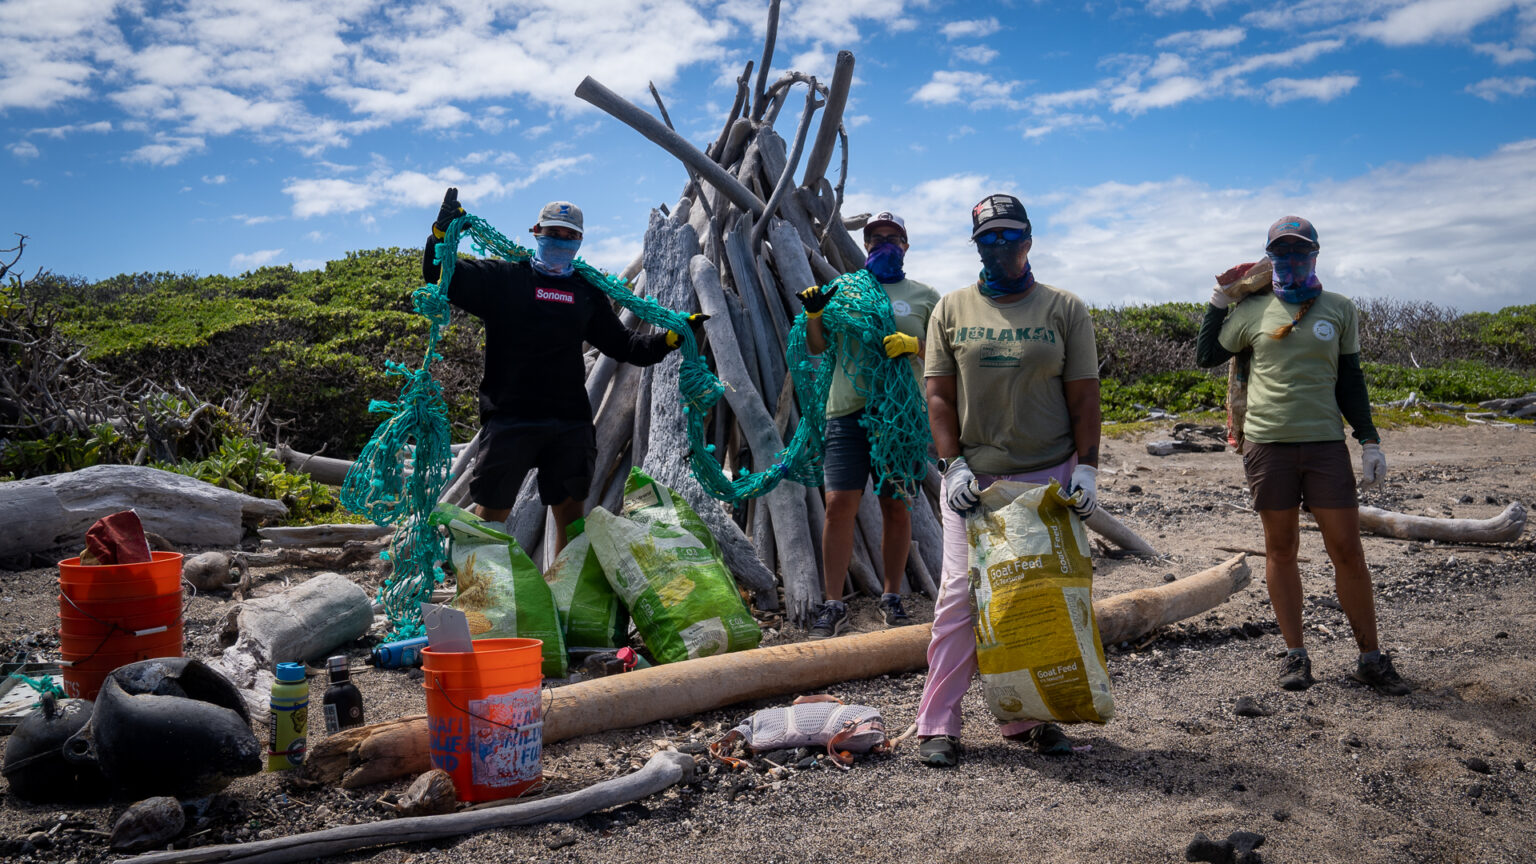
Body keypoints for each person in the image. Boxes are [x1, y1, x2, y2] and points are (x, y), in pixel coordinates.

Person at [914, 194, 1102, 767]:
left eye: (1009, 236)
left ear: (1028, 239)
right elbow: (939, 395)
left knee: (1037, 596)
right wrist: (953, 466)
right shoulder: (950, 309)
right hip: (975, 478)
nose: (1000, 248)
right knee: (956, 598)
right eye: (988, 239)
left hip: (1048, 479)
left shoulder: (1064, 309)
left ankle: (1032, 717)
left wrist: (1089, 469)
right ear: (977, 245)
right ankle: (938, 723)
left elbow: (1085, 398)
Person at [422, 188, 704, 555]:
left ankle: (567, 601)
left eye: (569, 236)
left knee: (571, 521)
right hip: (511, 419)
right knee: (489, 520)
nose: (561, 241)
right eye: (554, 233)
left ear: (580, 241)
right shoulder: (503, 279)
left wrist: (669, 339)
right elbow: (439, 274)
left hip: (568, 422)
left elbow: (625, 346)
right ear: (536, 231)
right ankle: (482, 604)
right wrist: (440, 235)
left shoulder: (584, 292)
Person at [1196, 215, 1411, 696]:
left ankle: (1370, 659)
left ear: (1315, 254)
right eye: (1282, 253)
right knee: (1281, 550)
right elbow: (1206, 353)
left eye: (1300, 252)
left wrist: (1369, 439)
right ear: (1269, 257)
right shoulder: (1252, 311)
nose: (1291, 261)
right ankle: (1296, 656)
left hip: (1324, 444)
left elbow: (1351, 380)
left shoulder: (1338, 309)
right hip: (1267, 445)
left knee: (1348, 551)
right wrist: (1219, 299)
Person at [794, 212, 941, 639]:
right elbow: (819, 346)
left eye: (893, 237)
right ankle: (833, 603)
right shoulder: (844, 291)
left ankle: (892, 598)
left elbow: (948, 353)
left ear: (907, 244)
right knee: (839, 504)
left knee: (897, 505)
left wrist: (915, 344)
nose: (884, 244)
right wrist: (816, 316)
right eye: (875, 238)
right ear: (866, 245)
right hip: (847, 413)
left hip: (898, 416)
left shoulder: (925, 295)